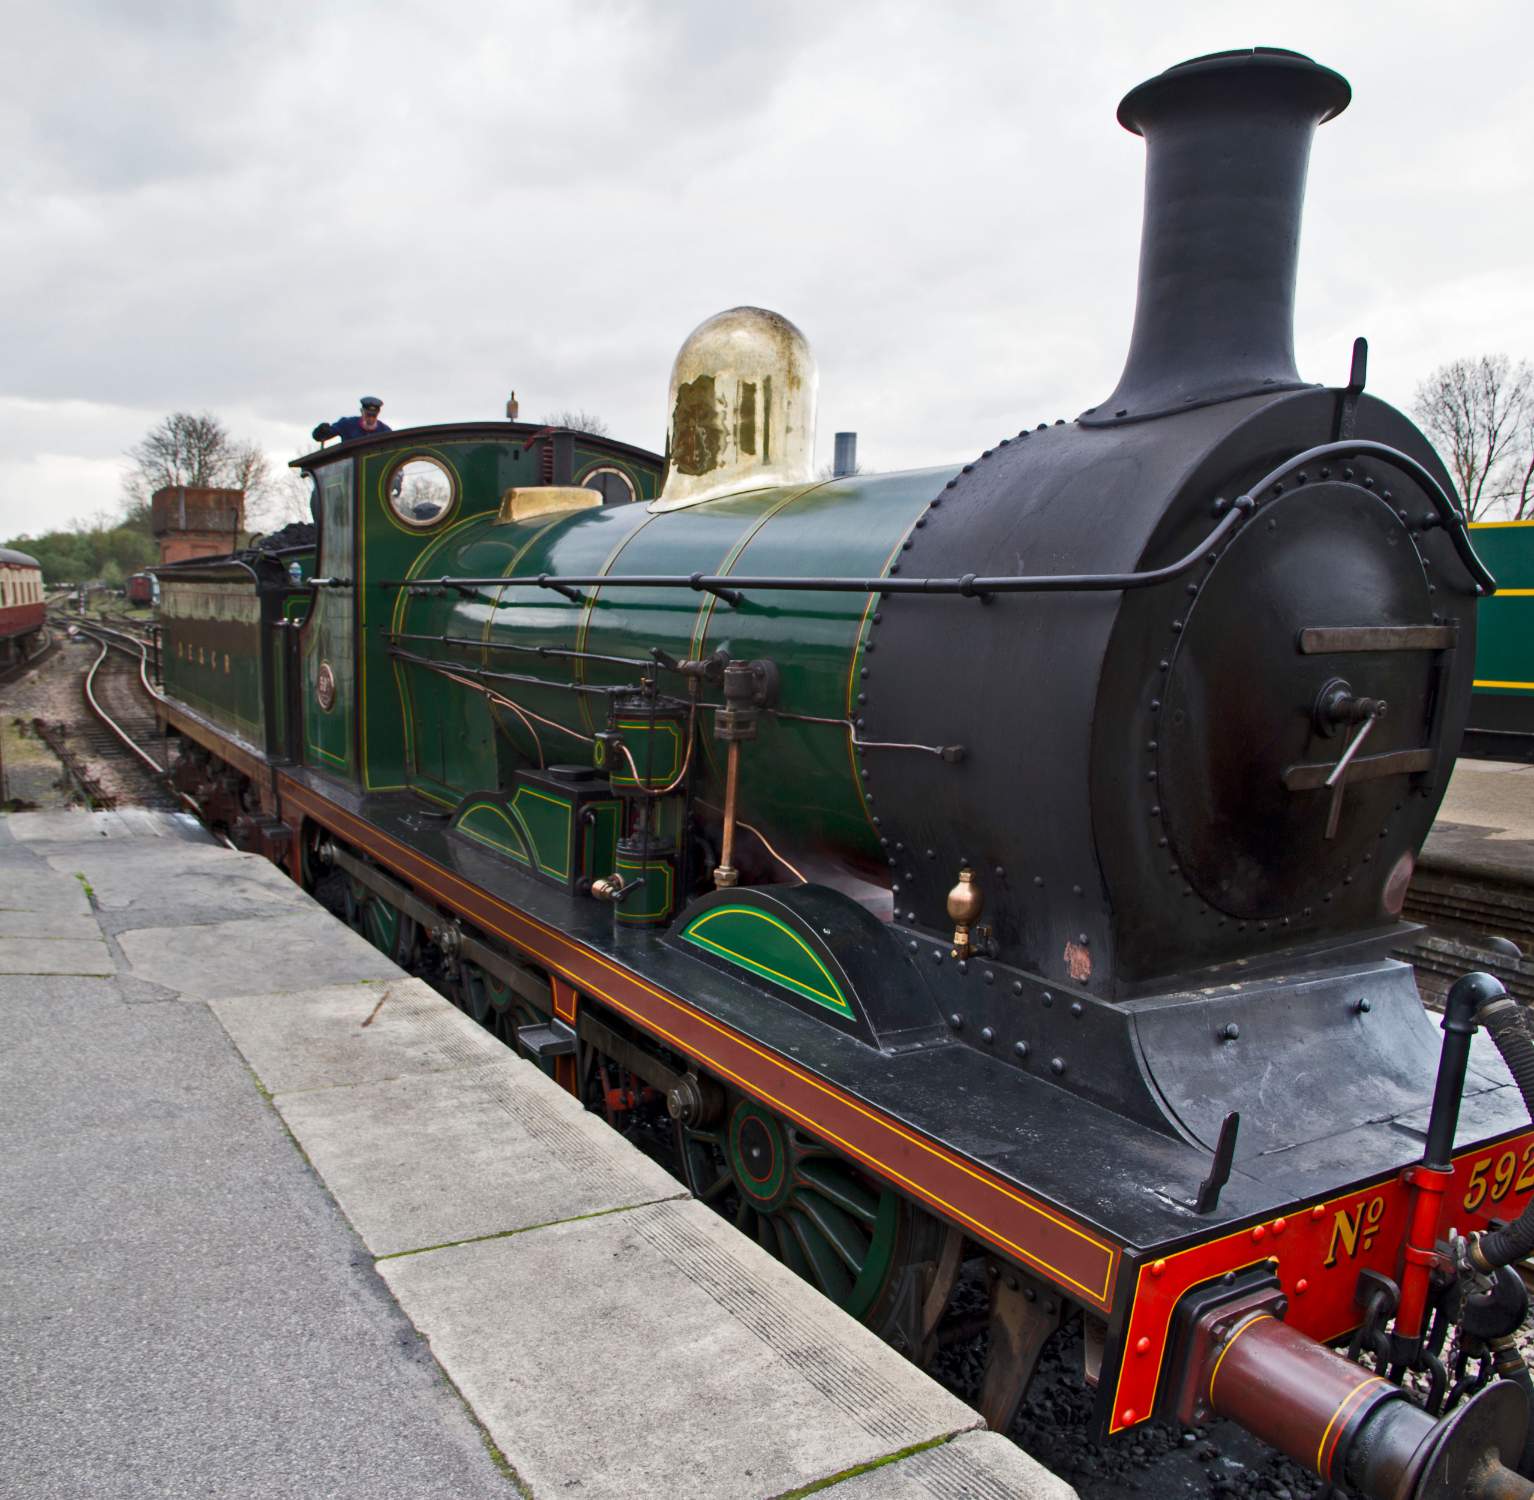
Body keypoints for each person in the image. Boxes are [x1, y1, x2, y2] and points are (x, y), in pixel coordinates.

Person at [312, 397, 391, 444]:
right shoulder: (347, 424)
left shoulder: (385, 431)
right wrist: (321, 431)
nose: (371, 419)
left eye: (374, 416)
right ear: (362, 411)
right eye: (368, 415)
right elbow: (321, 436)